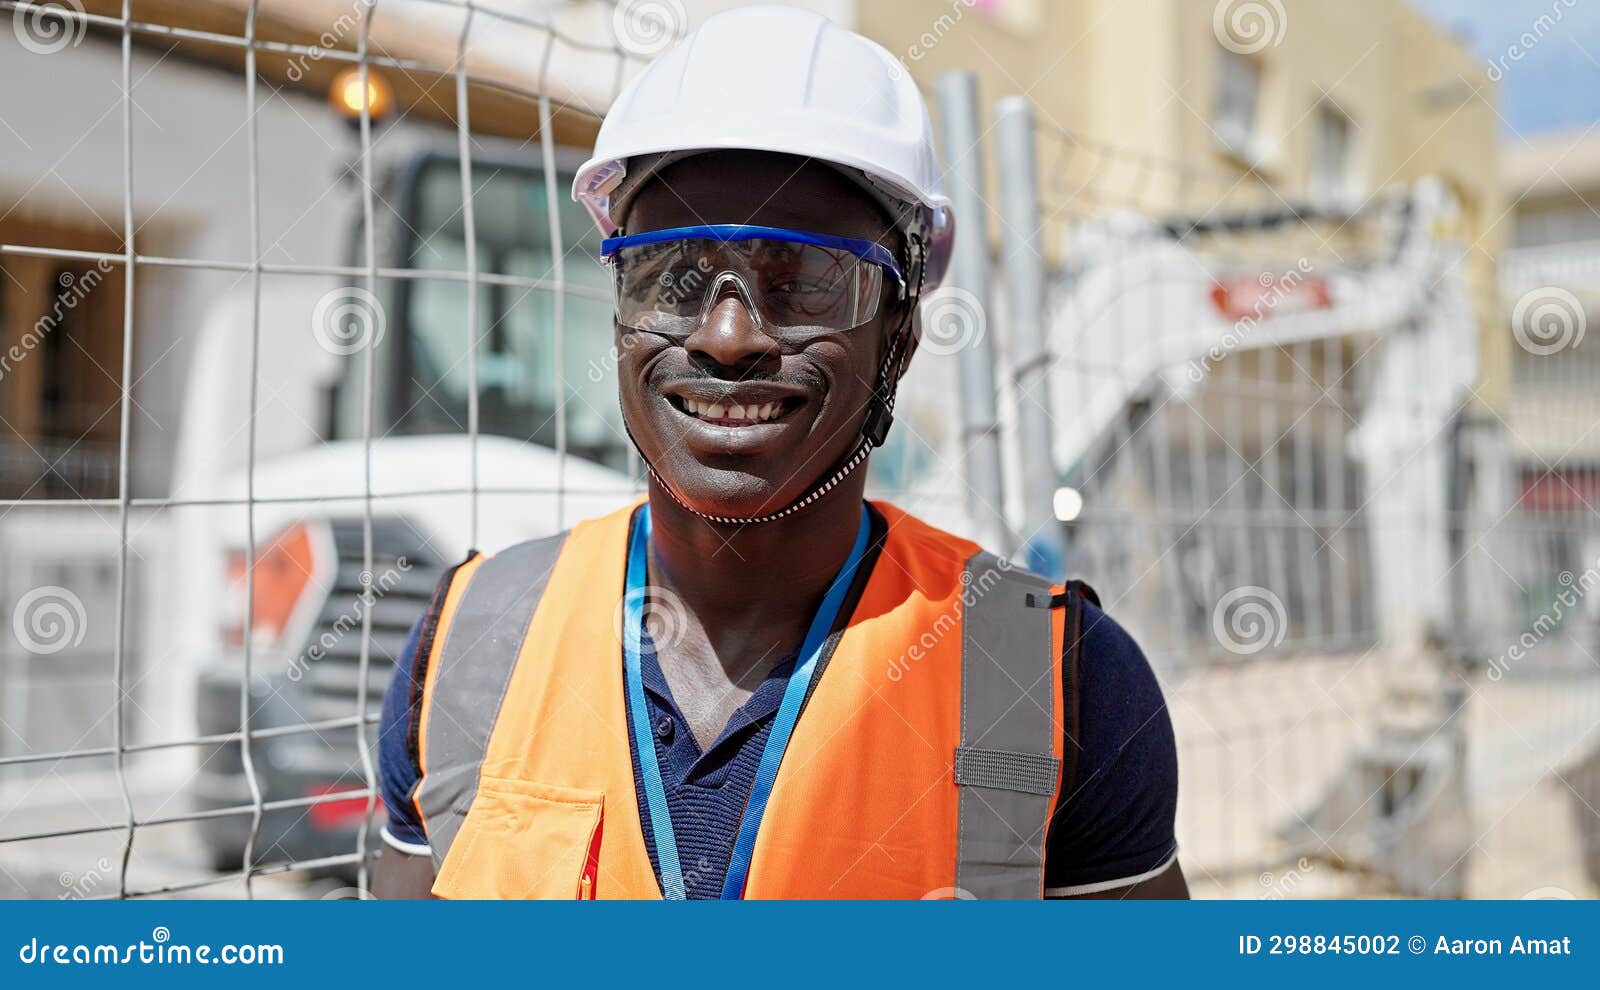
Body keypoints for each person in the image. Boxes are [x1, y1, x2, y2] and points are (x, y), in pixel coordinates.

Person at [374, 4, 1184, 900]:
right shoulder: (468, 645)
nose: (726, 335)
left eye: (804, 280)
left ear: (900, 336)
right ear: (620, 313)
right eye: (672, 273)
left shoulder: (1059, 679)